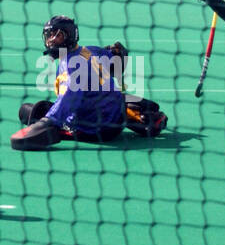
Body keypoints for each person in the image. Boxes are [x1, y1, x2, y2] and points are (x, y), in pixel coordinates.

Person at [11, 16, 166, 149]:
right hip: (113, 113)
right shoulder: (88, 50)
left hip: (97, 130)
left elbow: (70, 99)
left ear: (69, 37)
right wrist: (115, 53)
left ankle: (128, 114)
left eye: (57, 36)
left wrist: (46, 122)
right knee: (110, 95)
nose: (51, 41)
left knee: (30, 111)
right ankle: (131, 113)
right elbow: (118, 56)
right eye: (49, 36)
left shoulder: (70, 68)